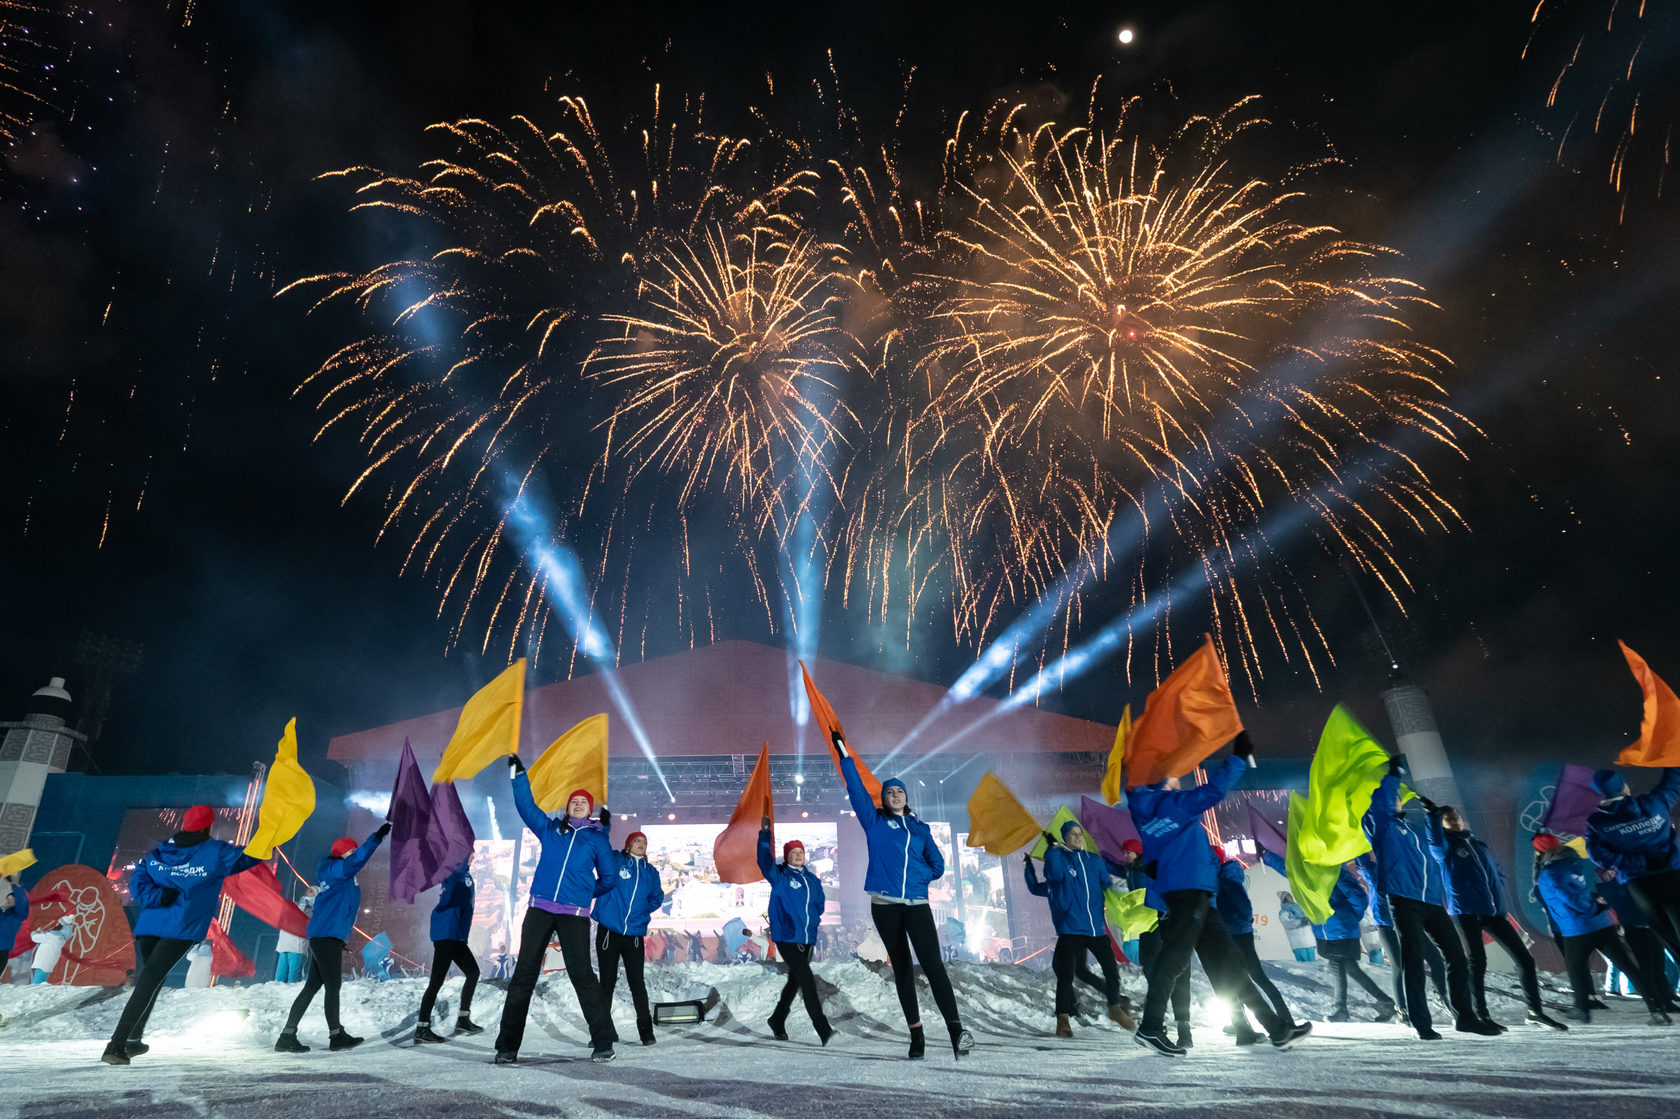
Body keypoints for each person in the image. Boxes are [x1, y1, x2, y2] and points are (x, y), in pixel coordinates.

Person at [1129, 733, 1311, 1056]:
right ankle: (1150, 1027)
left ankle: (1277, 1029)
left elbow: (1154, 860)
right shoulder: (1173, 805)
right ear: (1161, 781)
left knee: (1229, 965)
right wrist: (1238, 757)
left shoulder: (1146, 813)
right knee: (1174, 960)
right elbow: (1213, 791)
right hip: (1190, 892)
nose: (1176, 780)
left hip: (1195, 895)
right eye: (1171, 776)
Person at [832, 729, 972, 1059]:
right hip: (885, 905)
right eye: (890, 791)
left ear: (907, 797)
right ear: (884, 798)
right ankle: (916, 1035)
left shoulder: (921, 830)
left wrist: (917, 877)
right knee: (904, 970)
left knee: (935, 966)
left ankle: (957, 1032)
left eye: (900, 791)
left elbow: (937, 866)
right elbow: (855, 790)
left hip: (918, 905)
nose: (895, 794)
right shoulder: (875, 822)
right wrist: (844, 756)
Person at [103, 804, 264, 1065]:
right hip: (182, 926)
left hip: (150, 926)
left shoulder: (158, 852)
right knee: (149, 980)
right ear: (207, 826)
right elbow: (250, 857)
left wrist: (159, 896)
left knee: (151, 979)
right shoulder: (216, 852)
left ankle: (132, 1040)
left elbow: (137, 883)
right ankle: (116, 1044)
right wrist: (270, 831)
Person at [494, 756, 618, 1065]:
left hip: (574, 914)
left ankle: (603, 1041)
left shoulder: (597, 840)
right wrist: (519, 777)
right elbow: (527, 808)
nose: (578, 804)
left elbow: (610, 878)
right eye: (574, 801)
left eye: (583, 802)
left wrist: (585, 894)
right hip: (540, 908)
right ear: (567, 807)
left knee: (583, 976)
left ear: (590, 809)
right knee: (523, 975)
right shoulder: (550, 830)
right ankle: (507, 1048)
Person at [1363, 757, 1491, 1040]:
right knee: (1413, 961)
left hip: (1433, 901)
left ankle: (1465, 1018)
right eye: (1393, 798)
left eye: (1397, 798)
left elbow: (1436, 847)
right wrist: (1393, 775)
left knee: (1457, 958)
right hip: (1404, 900)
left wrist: (1434, 817)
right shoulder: (1379, 824)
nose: (1397, 800)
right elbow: (1382, 802)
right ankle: (1422, 1023)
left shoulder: (1413, 829)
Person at [1430, 805, 1565, 1030]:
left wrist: (1497, 889)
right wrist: (1432, 817)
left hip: (1493, 911)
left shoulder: (1479, 845)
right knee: (1477, 963)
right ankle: (1481, 1015)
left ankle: (1535, 1012)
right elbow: (1434, 841)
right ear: (1441, 824)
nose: (1455, 821)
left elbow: (1495, 871)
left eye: (1457, 817)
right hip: (1465, 912)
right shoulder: (1444, 848)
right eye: (1448, 819)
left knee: (1525, 959)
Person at [274, 824, 390, 1054]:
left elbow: (341, 908)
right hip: (325, 936)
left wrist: (339, 939)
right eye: (351, 852)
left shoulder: (339, 874)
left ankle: (287, 1035)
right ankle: (336, 1035)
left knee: (313, 986)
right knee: (333, 986)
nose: (354, 855)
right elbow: (355, 862)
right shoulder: (337, 870)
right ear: (341, 853)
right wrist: (375, 837)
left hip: (327, 935)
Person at [1533, 833, 1671, 1024]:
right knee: (1628, 966)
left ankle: (1581, 1009)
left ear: (1540, 851)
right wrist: (1597, 906)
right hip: (1602, 923)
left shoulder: (1550, 873)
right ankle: (1656, 1010)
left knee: (1576, 969)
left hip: (1577, 927)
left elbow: (1569, 899)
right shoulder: (1574, 862)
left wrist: (1591, 907)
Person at [1024, 821, 1137, 1038]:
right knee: (1066, 974)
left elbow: (1105, 882)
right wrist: (1051, 851)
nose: (1077, 837)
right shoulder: (1060, 859)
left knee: (1111, 970)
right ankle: (1063, 1020)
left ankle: (1115, 1007)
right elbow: (1053, 876)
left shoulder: (1094, 860)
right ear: (1065, 837)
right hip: (1071, 928)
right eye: (1073, 834)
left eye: (1080, 834)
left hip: (1095, 928)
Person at [1259, 846, 1394, 1023]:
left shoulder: (1334, 869)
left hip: (1341, 929)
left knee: (1340, 967)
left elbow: (1357, 896)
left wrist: (1350, 916)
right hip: (1325, 931)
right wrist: (1267, 855)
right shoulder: (1311, 872)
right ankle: (1382, 1002)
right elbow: (1289, 870)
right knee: (1350, 969)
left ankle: (1342, 1008)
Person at [1586, 767, 1680, 962]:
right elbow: (1674, 782)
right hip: (1673, 874)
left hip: (1640, 885)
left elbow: (1598, 856)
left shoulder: (1598, 823)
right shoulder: (1653, 803)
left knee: (1668, 936)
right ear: (1624, 787)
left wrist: (1635, 862)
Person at [757, 817, 835, 1044]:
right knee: (807, 979)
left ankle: (778, 1019)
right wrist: (764, 835)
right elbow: (764, 861)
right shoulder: (780, 876)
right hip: (787, 936)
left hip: (807, 937)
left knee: (795, 980)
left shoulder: (812, 879)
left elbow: (818, 904)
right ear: (786, 856)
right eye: (794, 852)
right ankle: (823, 1029)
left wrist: (813, 923)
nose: (799, 855)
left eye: (801, 851)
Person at [1357, 850, 1450, 1024]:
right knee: (1399, 967)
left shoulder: (1404, 872)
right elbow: (1360, 857)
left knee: (1436, 959)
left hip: (1408, 921)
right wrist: (1357, 838)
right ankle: (1402, 1009)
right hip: (1386, 925)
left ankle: (1441, 997)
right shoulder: (1374, 872)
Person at [594, 829, 665, 1047]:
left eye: (644, 841)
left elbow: (657, 897)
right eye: (636, 840)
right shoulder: (615, 861)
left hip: (633, 935)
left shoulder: (650, 872)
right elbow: (601, 851)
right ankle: (604, 1033)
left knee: (637, 983)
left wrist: (642, 913)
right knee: (606, 982)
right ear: (627, 845)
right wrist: (602, 827)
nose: (641, 844)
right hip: (609, 932)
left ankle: (646, 1033)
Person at [1214, 851, 1293, 1040]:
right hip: (1226, 933)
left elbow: (1241, 903)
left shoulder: (1225, 877)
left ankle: (1286, 1019)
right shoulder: (1216, 877)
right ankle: (1240, 1025)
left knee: (1255, 976)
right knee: (1231, 982)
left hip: (1238, 933)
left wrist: (1242, 922)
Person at [1122, 838, 1192, 1046]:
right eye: (1124, 852)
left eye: (1130, 852)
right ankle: (1158, 1022)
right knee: (1155, 970)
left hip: (1170, 923)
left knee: (1178, 975)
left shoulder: (1153, 867)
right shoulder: (1135, 869)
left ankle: (1183, 1028)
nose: (1126, 855)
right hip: (1151, 925)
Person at [413, 860, 483, 1043]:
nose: (473, 856)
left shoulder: (464, 873)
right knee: (436, 981)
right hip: (446, 934)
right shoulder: (453, 871)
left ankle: (463, 1018)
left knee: (473, 972)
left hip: (456, 935)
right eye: (470, 851)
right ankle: (422, 1028)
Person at [0, 876, 28, 987]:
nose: (11, 900)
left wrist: (15, 885)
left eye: (13, 899)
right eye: (9, 898)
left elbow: (22, 901)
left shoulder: (17, 916)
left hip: (2, 952)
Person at [30, 916, 75, 984]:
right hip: (47, 961)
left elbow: (34, 937)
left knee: (37, 984)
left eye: (58, 923)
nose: (56, 924)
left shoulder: (53, 936)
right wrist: (41, 932)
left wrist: (37, 931)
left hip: (43, 961)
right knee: (41, 980)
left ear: (60, 925)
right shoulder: (60, 936)